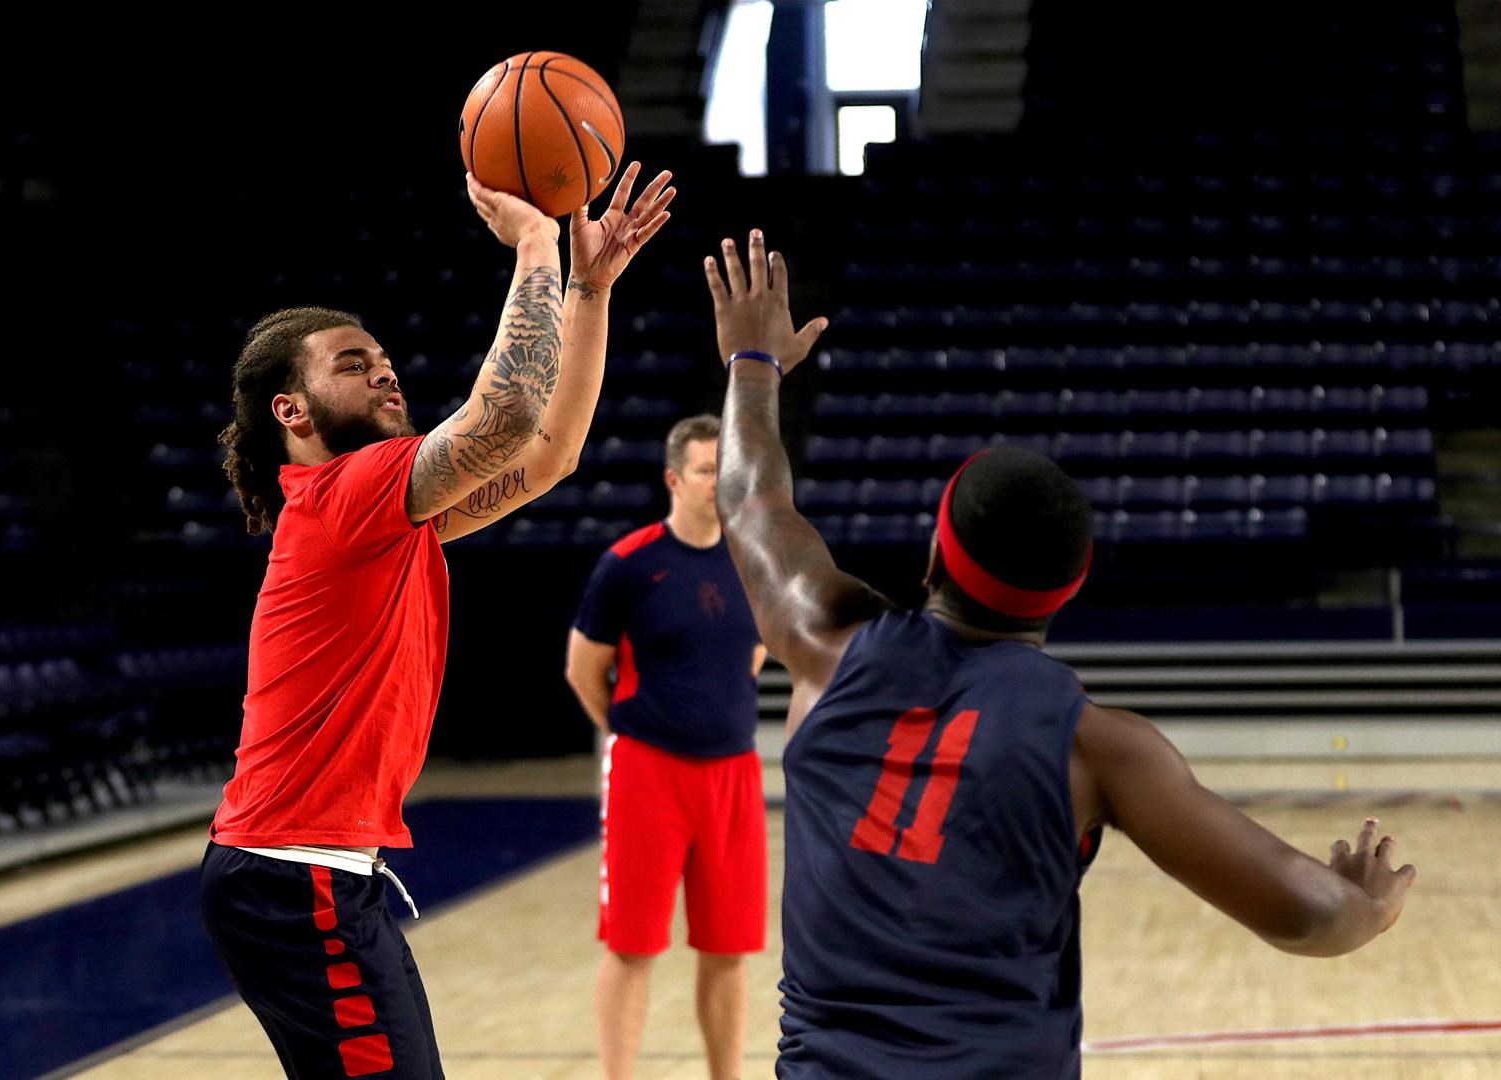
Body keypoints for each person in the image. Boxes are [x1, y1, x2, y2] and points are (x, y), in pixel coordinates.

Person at [701, 228, 1417, 1079]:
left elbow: (751, 500)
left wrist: (753, 361)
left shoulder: (826, 644)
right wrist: (1366, 906)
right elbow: (1306, 915)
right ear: (1067, 594)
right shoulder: (1100, 747)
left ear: (933, 559)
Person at [197, 163, 674, 1080]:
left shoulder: (386, 511)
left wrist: (591, 289)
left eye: (381, 358)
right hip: (297, 877)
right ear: (290, 411)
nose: (383, 369)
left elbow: (549, 454)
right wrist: (537, 244)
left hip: (309, 876)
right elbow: (503, 418)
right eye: (351, 363)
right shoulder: (345, 493)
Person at [564, 414, 769, 1080]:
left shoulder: (754, 558)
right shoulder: (628, 564)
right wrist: (630, 728)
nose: (719, 483)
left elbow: (753, 654)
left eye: (726, 470)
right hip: (647, 772)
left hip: (734, 774)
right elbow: (582, 670)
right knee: (632, 947)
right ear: (675, 479)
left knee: (730, 949)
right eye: (707, 471)